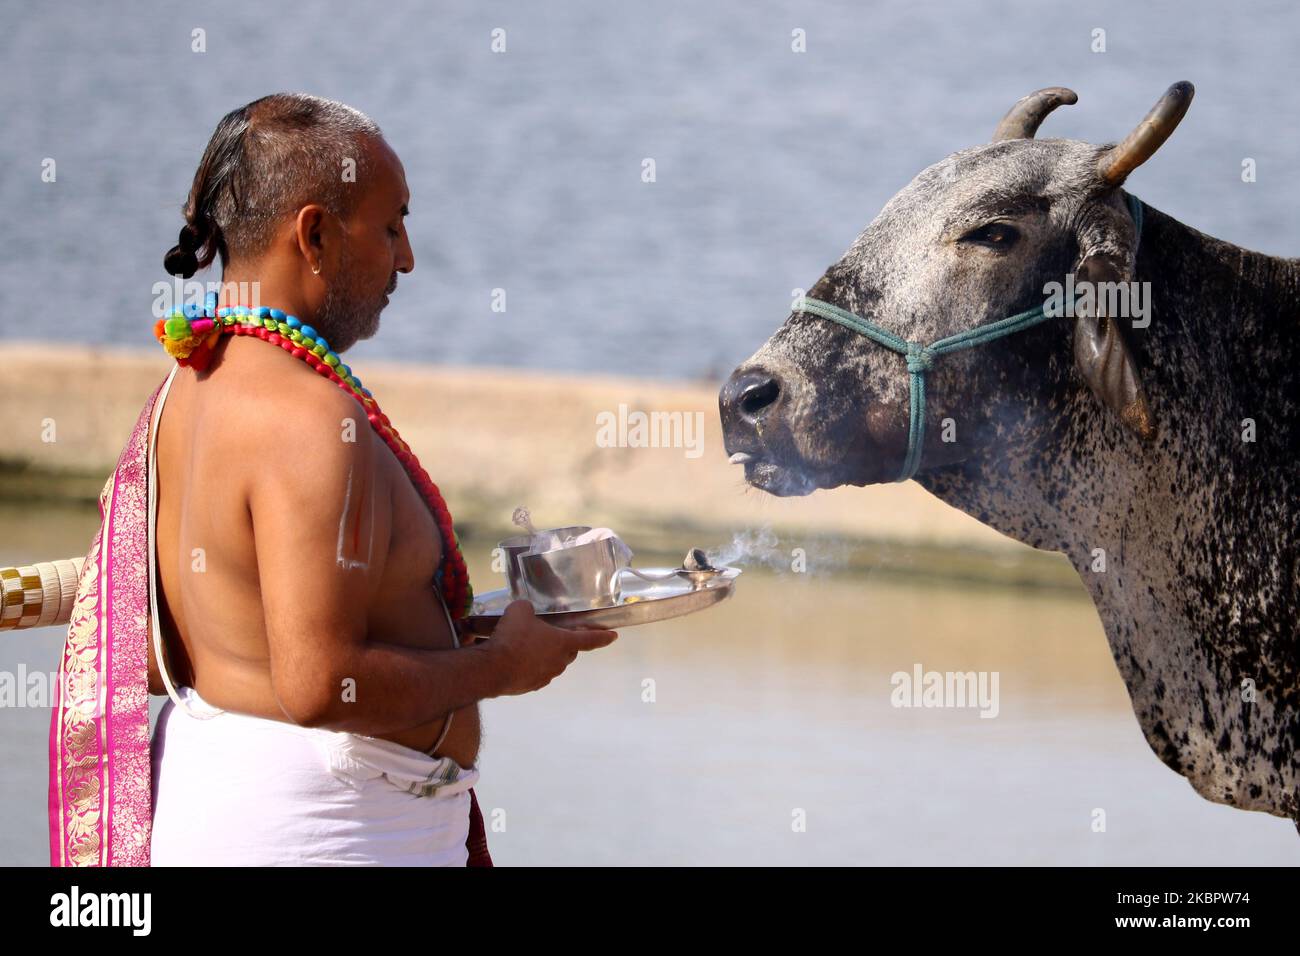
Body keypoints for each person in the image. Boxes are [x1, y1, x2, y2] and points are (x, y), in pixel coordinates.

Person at [47, 93, 617, 867]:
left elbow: (178, 643)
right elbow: (318, 682)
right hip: (321, 836)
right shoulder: (312, 423)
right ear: (314, 234)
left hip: (226, 798)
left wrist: (454, 625)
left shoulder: (188, 387)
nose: (407, 257)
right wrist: (502, 667)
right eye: (390, 226)